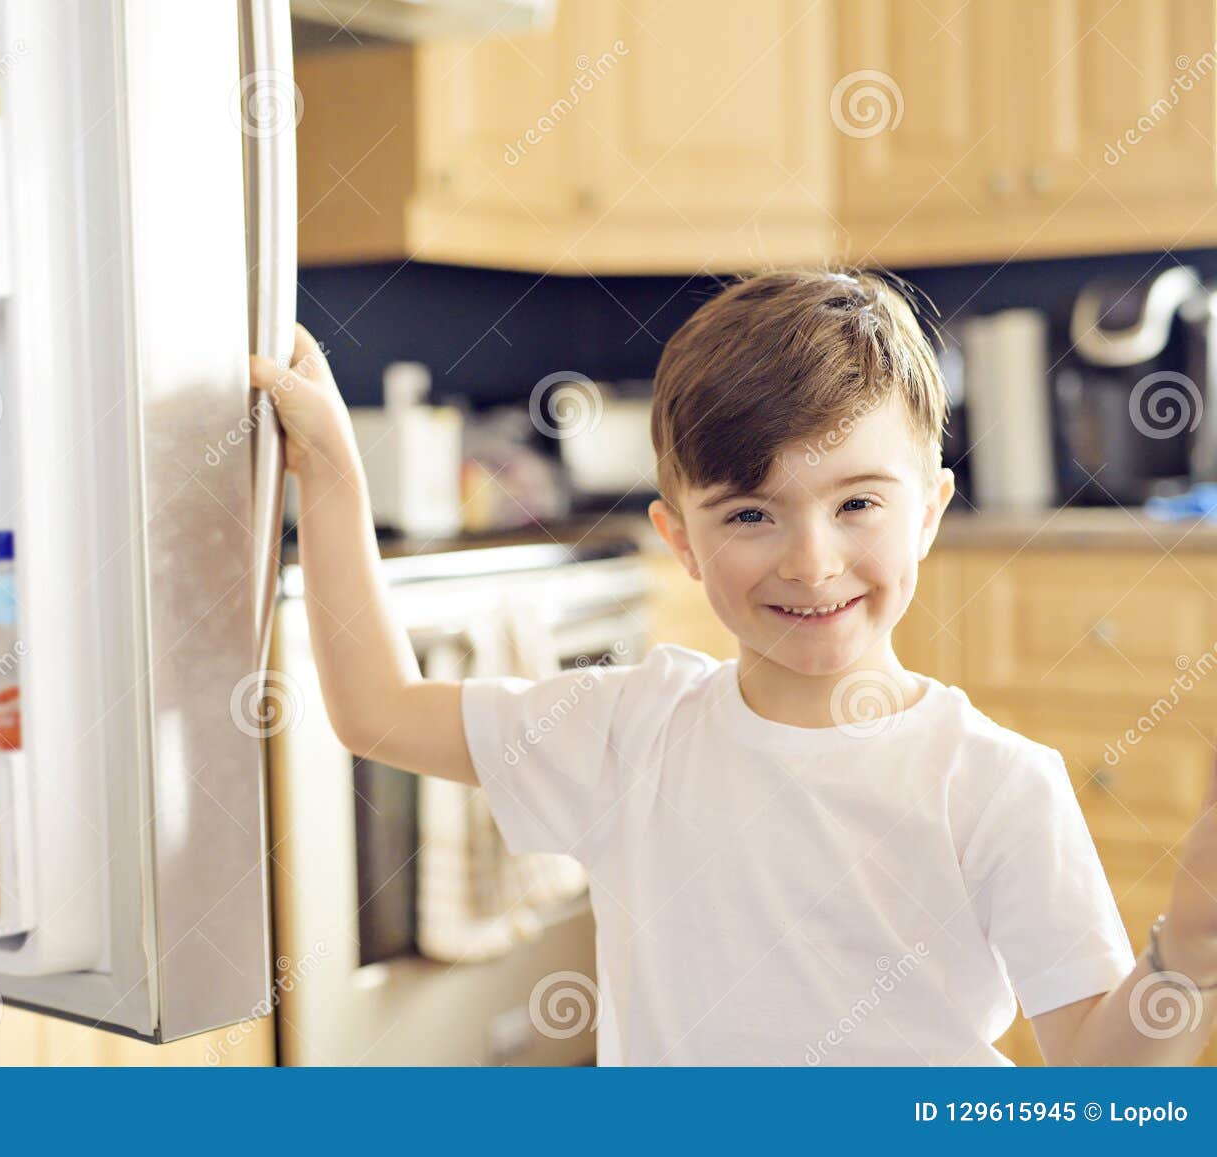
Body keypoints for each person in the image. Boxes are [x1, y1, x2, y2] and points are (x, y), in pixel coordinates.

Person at [250, 268, 1217, 1065]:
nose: (811, 560)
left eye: (858, 505)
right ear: (681, 540)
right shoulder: (630, 731)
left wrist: (1192, 952)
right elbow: (377, 708)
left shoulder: (999, 785)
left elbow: (1100, 1082)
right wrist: (334, 470)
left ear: (931, 507)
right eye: (751, 514)